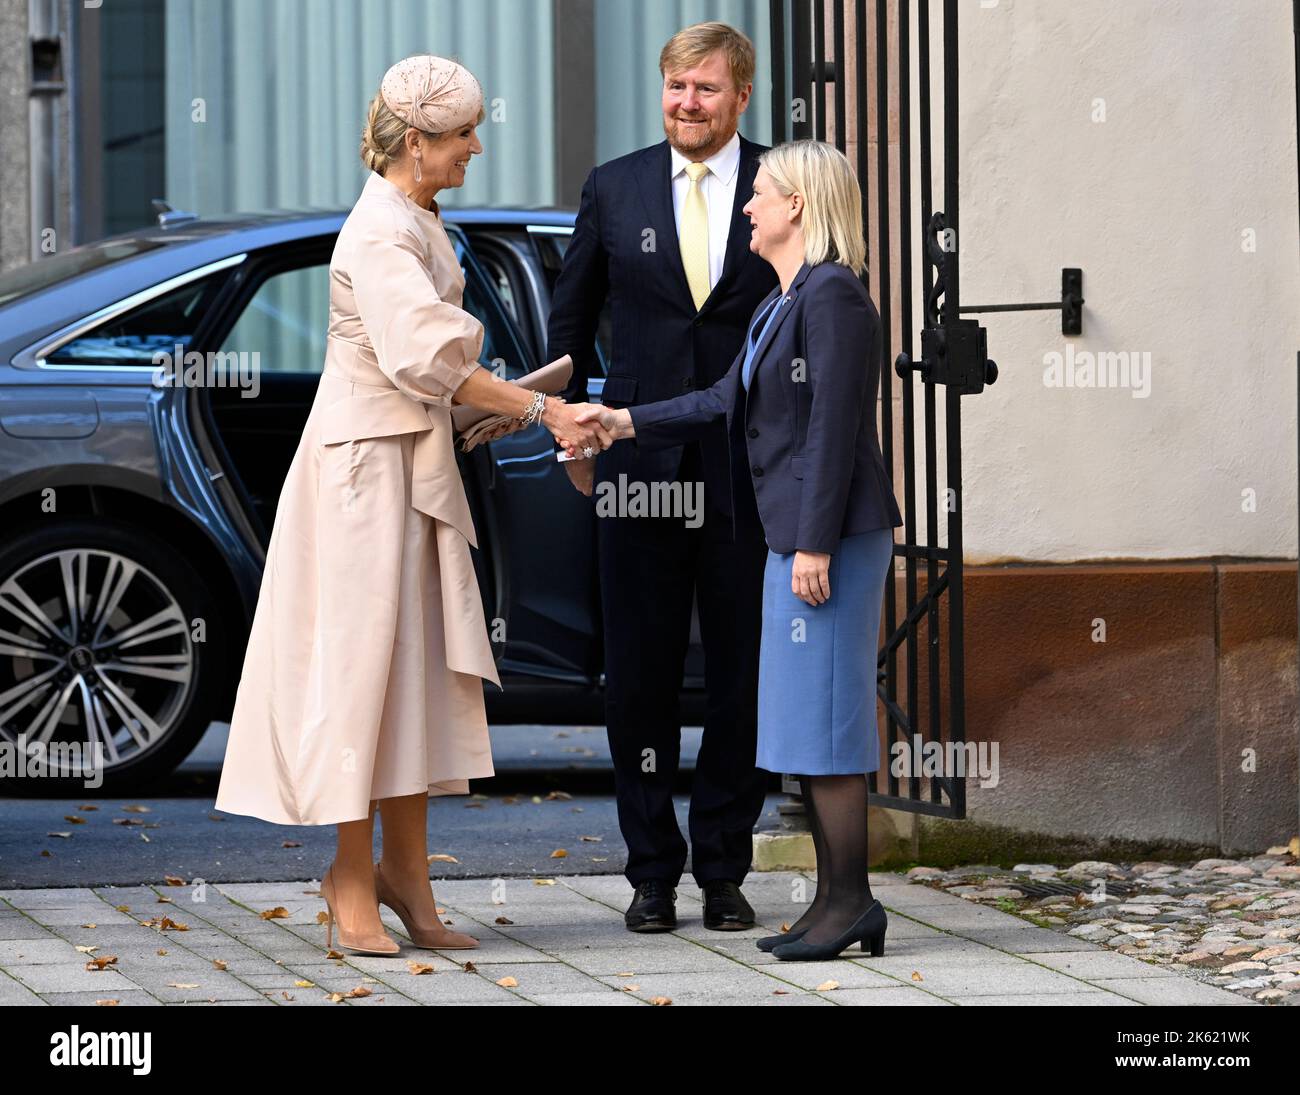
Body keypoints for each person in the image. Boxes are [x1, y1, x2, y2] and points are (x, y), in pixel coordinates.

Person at [213, 55, 610, 956]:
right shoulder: (379, 232)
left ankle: (407, 876)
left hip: (406, 465)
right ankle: (352, 878)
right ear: (415, 143)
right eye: (463, 134)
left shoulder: (417, 217)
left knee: (415, 673)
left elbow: (432, 374)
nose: (475, 146)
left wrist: (497, 409)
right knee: (364, 676)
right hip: (365, 477)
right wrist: (541, 408)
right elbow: (423, 356)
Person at [564, 139, 905, 961]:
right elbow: (723, 397)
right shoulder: (783, 298)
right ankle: (835, 901)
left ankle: (849, 901)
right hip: (796, 536)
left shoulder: (834, 298)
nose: (746, 205)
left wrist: (812, 544)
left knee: (826, 723)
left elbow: (831, 431)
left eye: (762, 194)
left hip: (824, 540)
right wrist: (621, 420)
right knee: (805, 721)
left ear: (799, 207)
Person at [546, 22, 780, 934]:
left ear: (741, 98)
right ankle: (652, 871)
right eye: (677, 86)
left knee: (741, 677)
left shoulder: (779, 183)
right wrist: (567, 431)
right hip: (636, 468)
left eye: (707, 90)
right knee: (637, 677)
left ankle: (724, 864)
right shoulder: (615, 186)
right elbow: (572, 327)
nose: (689, 103)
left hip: (747, 469)